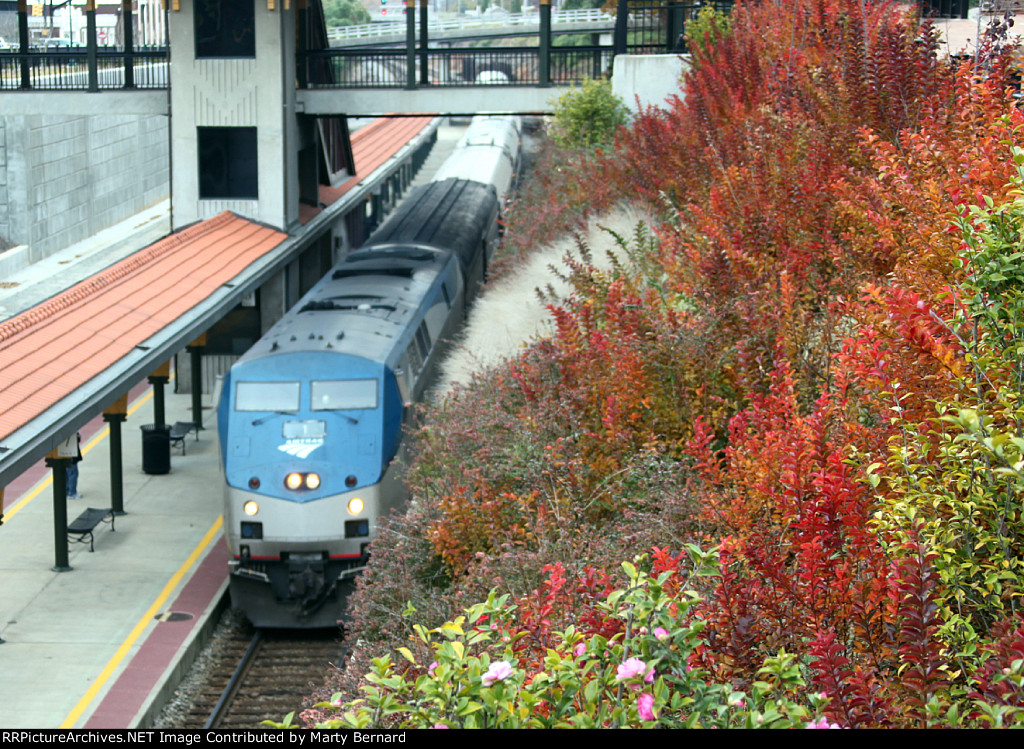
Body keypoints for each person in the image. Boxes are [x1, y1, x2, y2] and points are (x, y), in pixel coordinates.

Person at [66, 432, 83, 499]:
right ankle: (72, 492)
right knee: (73, 474)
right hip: (71, 457)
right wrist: (78, 437)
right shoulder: (72, 432)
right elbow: (77, 439)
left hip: (64, 457)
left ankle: (67, 491)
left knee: (67, 474)